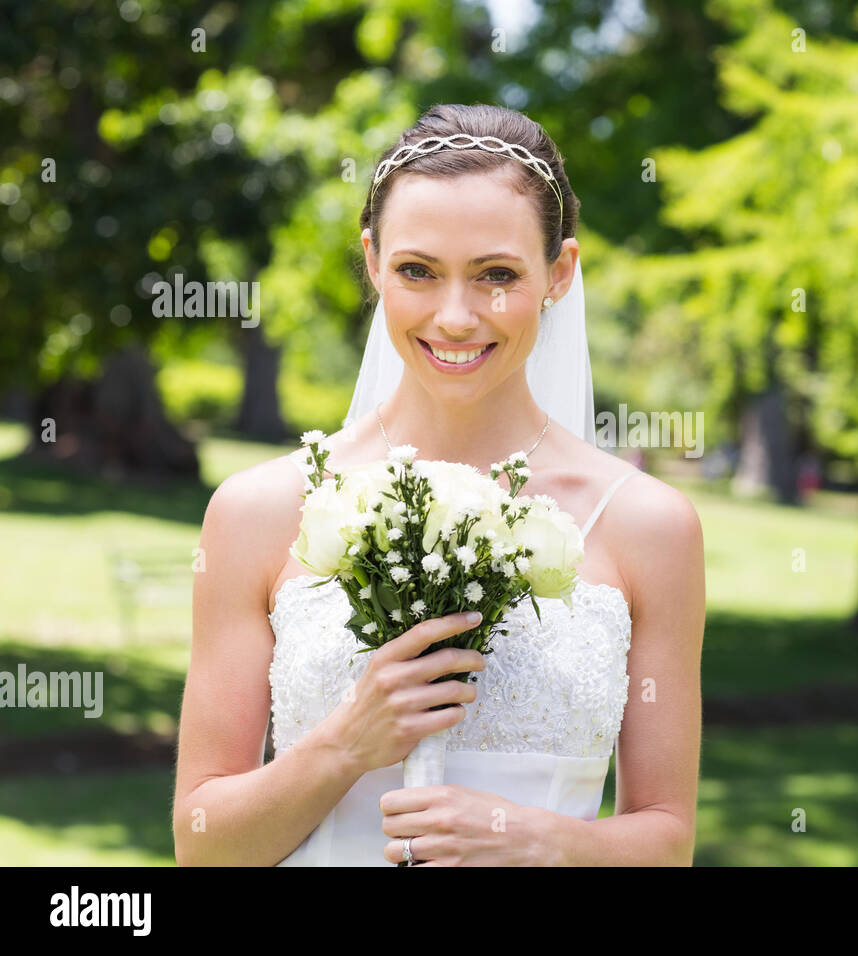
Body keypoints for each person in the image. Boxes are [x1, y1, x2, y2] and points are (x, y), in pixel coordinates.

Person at [172, 104, 705, 866]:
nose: (455, 317)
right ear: (372, 261)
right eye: (417, 271)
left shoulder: (650, 527)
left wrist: (539, 841)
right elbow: (202, 846)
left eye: (496, 275)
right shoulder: (258, 512)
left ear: (559, 273)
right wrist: (344, 745)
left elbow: (667, 839)